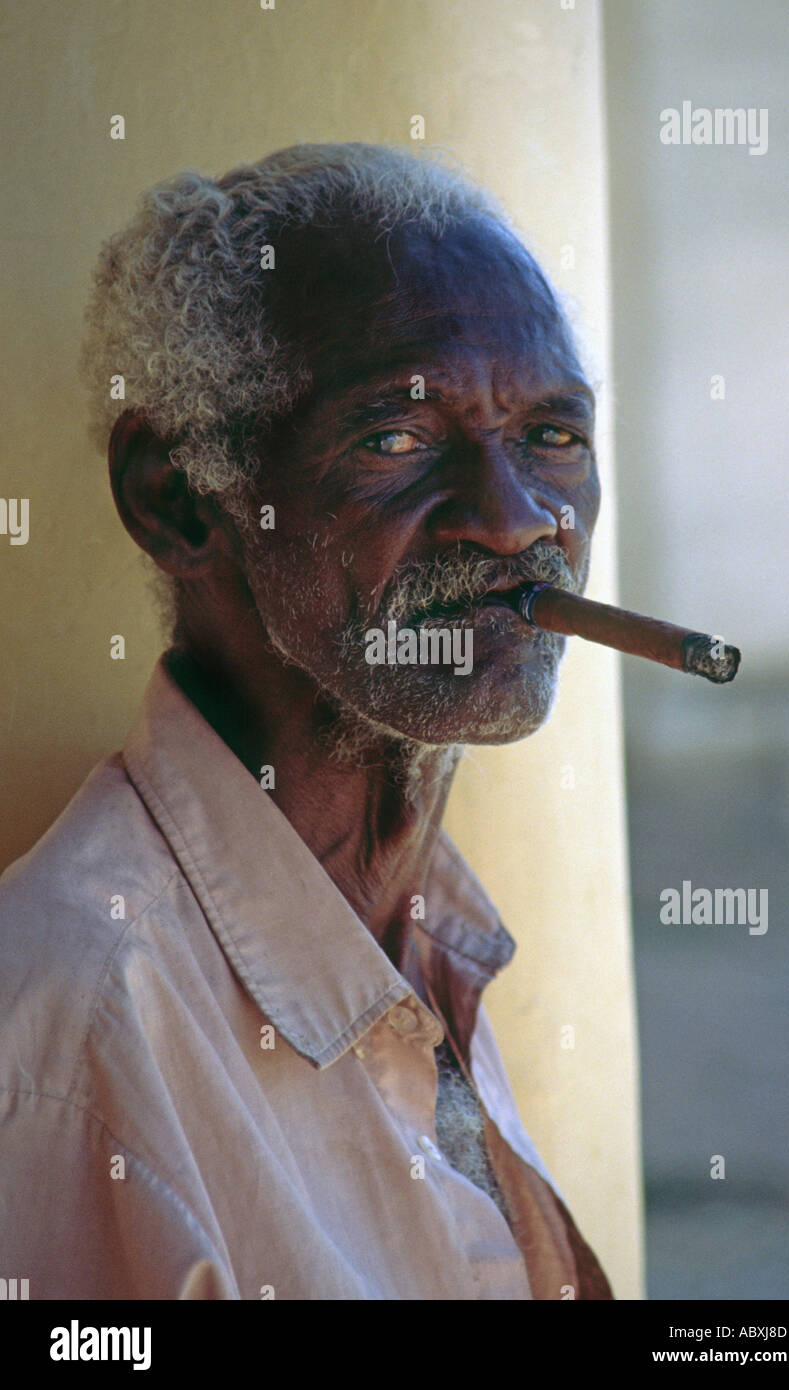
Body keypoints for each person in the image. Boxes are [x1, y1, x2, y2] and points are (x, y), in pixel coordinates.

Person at [0, 143, 611, 1300]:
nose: (519, 521)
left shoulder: (423, 929)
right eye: (396, 437)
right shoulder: (74, 1039)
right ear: (179, 497)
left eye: (553, 436)